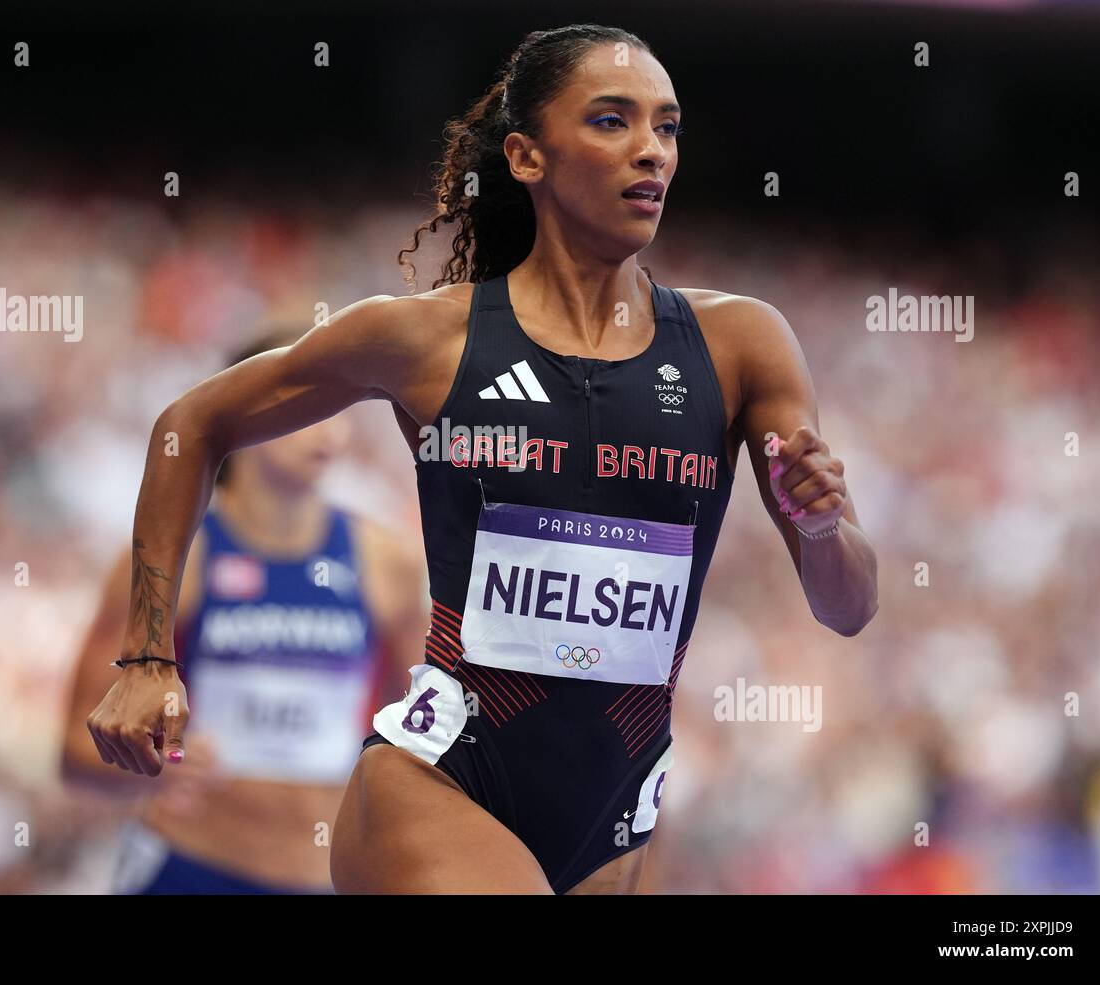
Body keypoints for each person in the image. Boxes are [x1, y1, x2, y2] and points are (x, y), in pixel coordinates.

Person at [84, 23, 878, 895]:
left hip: (618, 816)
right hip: (441, 782)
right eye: (613, 121)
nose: (651, 151)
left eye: (668, 126)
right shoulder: (431, 338)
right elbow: (188, 424)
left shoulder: (741, 345)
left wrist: (824, 525)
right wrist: (146, 658)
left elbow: (846, 607)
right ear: (527, 158)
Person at [63, 331, 425, 893]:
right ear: (243, 411)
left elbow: (422, 746)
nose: (330, 427)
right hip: (188, 864)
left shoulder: (387, 563)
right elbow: (74, 752)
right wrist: (152, 765)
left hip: (322, 877)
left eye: (342, 407)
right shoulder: (175, 557)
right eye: (312, 406)